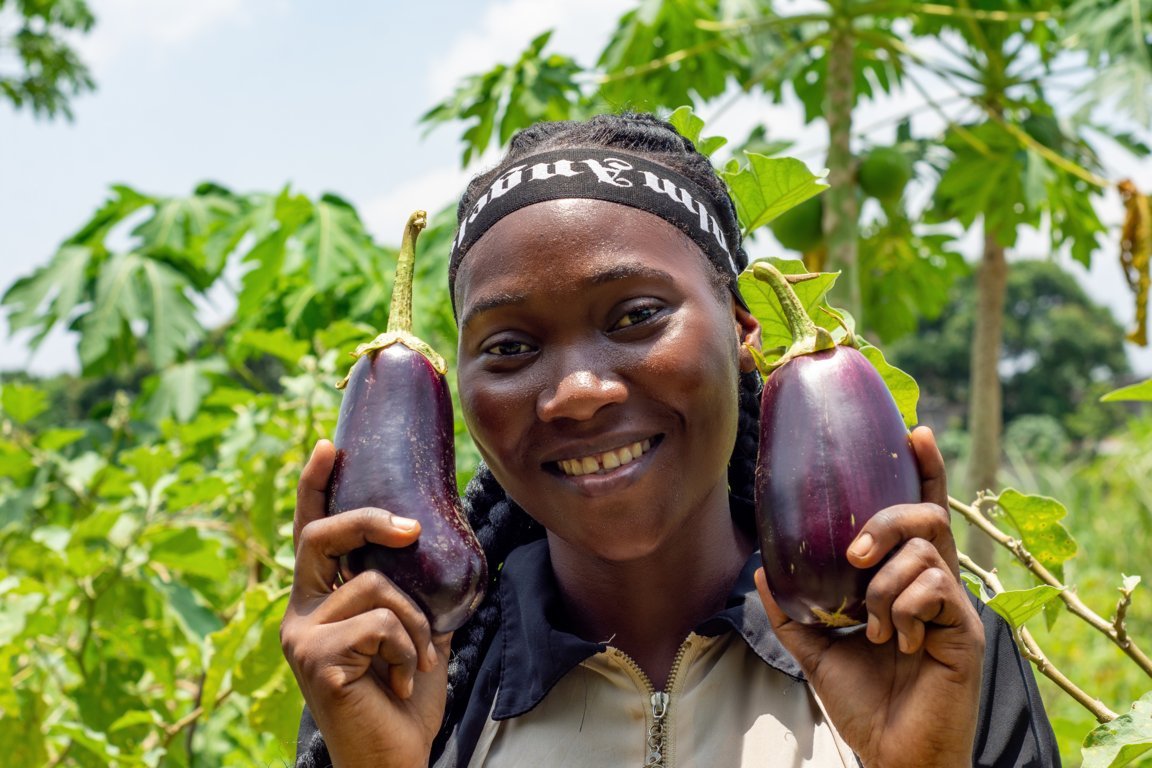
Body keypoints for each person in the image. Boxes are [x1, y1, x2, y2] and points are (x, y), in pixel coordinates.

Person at [281, 112, 1060, 767]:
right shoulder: (406, 679)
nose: (577, 393)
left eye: (635, 317)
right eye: (510, 348)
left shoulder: (933, 653)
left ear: (742, 328)